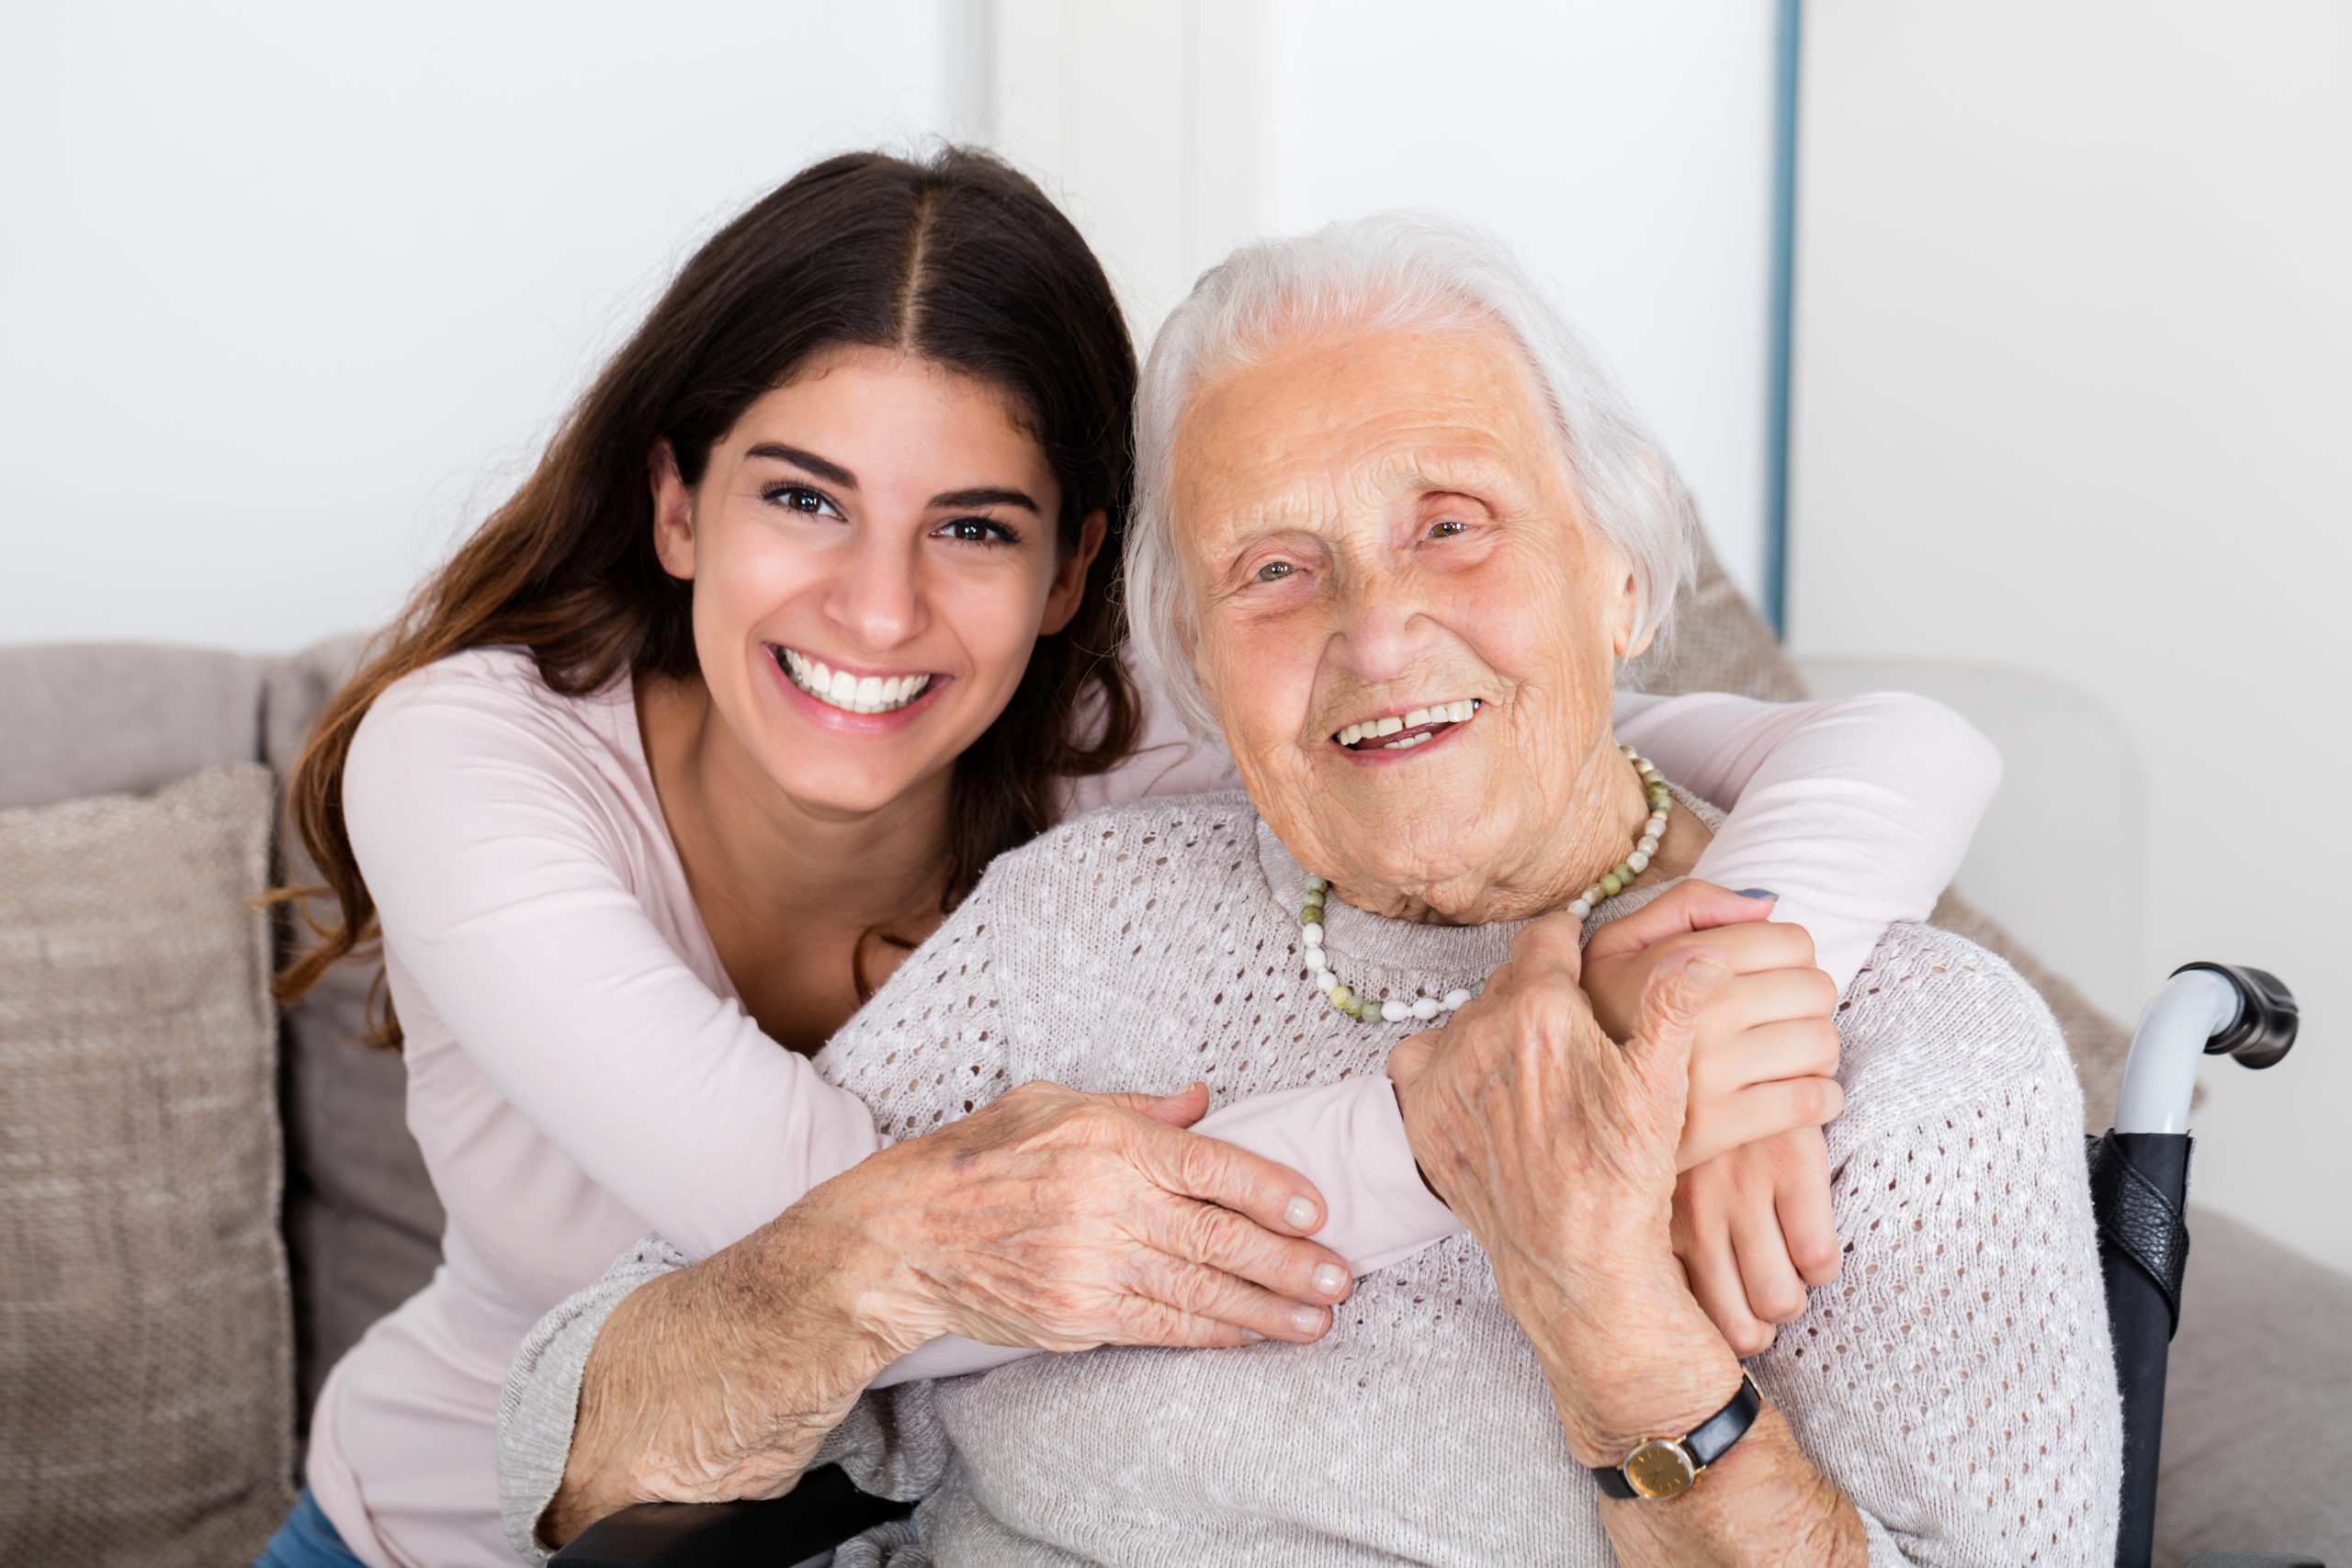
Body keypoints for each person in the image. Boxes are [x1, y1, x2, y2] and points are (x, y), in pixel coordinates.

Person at [260, 151, 1997, 1568]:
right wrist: (1465, 1119)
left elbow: (1876, 749)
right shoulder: (474, 754)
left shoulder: (1137, 761)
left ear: (1078, 566)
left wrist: (1709, 993)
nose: (878, 606)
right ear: (674, 506)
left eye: (975, 529)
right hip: (458, 1541)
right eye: (802, 498)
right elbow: (856, 1249)